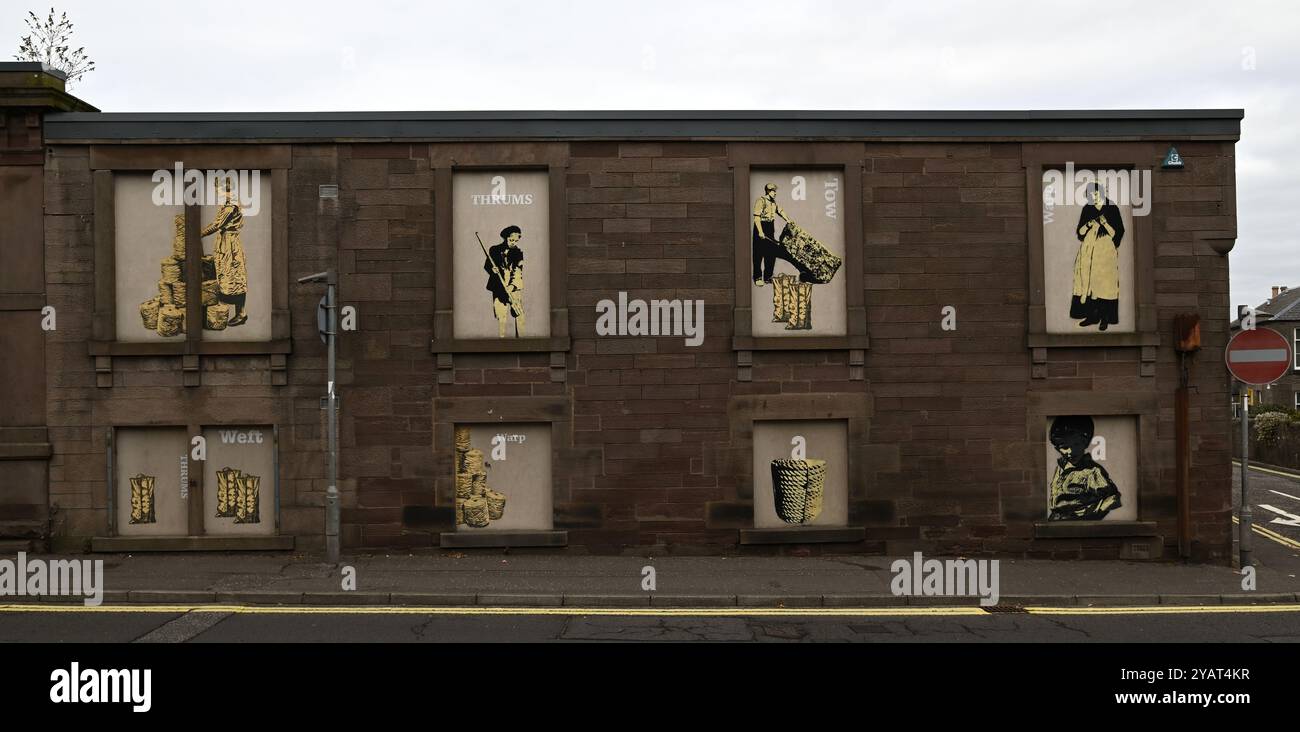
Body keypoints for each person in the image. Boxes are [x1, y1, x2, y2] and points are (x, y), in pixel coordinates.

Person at [1070, 181, 1125, 331]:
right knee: (1088, 282)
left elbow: (1118, 232)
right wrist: (1089, 224)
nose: (1093, 197)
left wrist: (1105, 223)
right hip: (1088, 250)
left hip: (1105, 251)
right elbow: (1080, 232)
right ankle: (1091, 315)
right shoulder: (1087, 209)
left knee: (1105, 284)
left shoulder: (1112, 208)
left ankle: (1104, 318)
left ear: (1101, 192)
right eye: (1090, 195)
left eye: (1095, 193)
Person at [1047, 415, 1122, 521]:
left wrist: (1087, 514)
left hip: (1074, 526)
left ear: (1085, 442)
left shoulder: (1092, 471)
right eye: (1064, 447)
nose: (1070, 451)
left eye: (1076, 444)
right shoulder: (1060, 468)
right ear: (1057, 448)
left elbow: (1114, 499)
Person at [201, 177, 249, 326]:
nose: (217, 192)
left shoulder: (231, 205)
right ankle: (224, 312)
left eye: (218, 190)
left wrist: (201, 233)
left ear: (226, 189)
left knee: (235, 278)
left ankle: (241, 314)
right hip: (224, 243)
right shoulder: (227, 203)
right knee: (225, 277)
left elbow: (217, 224)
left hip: (230, 245)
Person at [484, 225, 525, 337]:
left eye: (516, 241)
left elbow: (518, 271)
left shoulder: (518, 253)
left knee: (518, 314)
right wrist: (492, 270)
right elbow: (487, 265)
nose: (513, 243)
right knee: (501, 316)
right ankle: (501, 342)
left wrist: (512, 286)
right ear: (506, 238)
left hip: (513, 288)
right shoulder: (494, 250)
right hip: (498, 287)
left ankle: (521, 342)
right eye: (511, 240)